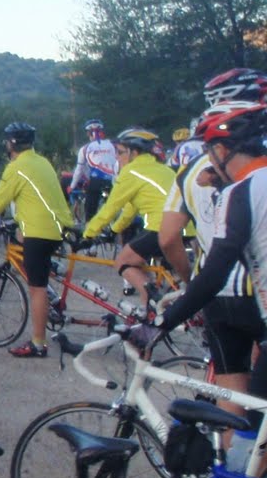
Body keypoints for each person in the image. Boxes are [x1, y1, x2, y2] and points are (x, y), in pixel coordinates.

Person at [158, 95, 267, 423]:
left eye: (208, 150)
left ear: (220, 151)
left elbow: (216, 271)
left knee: (250, 434)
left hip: (227, 302)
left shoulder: (240, 193)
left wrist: (161, 325)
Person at [0, 122, 75, 358]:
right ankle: (52, 272)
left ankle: (38, 344)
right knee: (21, 242)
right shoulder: (42, 161)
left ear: (11, 144)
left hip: (40, 232)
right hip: (57, 226)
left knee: (36, 288)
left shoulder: (16, 167)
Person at [79, 127, 175, 314]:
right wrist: (114, 231)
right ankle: (150, 311)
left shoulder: (132, 171)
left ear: (134, 152)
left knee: (123, 261)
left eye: (121, 152)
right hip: (183, 228)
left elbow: (110, 208)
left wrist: (87, 234)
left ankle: (157, 303)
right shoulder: (163, 169)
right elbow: (130, 209)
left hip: (160, 227)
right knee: (138, 264)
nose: (117, 157)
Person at [69, 119, 119, 222]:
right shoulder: (113, 145)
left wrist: (72, 186)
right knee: (118, 213)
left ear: (88, 133)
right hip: (114, 181)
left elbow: (79, 170)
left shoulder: (85, 148)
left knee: (90, 210)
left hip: (96, 182)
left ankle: (89, 232)